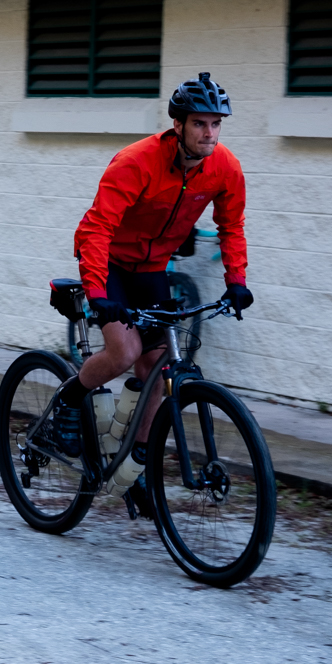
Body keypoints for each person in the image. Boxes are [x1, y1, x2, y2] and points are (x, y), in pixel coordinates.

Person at [54, 72, 251, 503]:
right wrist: (99, 295)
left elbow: (231, 226)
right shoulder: (136, 162)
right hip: (109, 262)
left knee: (158, 369)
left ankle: (135, 464)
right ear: (177, 125)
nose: (210, 133)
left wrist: (236, 281)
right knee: (124, 352)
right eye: (200, 123)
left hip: (151, 268)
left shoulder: (225, 168)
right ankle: (68, 404)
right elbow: (98, 228)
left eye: (216, 124)